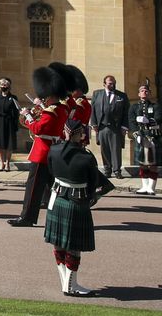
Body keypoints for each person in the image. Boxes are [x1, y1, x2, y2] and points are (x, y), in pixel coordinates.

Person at [43, 119, 114, 296]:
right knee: (74, 246)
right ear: (79, 134)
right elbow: (93, 184)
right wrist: (92, 197)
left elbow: (51, 173)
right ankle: (70, 285)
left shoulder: (54, 150)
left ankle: (65, 281)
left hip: (57, 198)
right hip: (76, 202)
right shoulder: (87, 157)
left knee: (58, 242)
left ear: (65, 132)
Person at [8, 64, 70, 227]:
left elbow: (37, 128)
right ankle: (61, 216)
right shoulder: (62, 109)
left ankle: (27, 217)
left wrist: (28, 115)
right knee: (53, 188)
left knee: (34, 188)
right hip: (53, 151)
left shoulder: (50, 112)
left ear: (49, 95)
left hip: (42, 153)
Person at [128, 80, 162, 196]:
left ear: (150, 94)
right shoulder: (134, 107)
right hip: (141, 137)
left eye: (146, 91)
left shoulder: (155, 106)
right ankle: (144, 186)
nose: (144, 93)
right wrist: (136, 134)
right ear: (139, 94)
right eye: (142, 91)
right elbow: (131, 122)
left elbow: (159, 118)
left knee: (153, 164)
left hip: (153, 137)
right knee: (142, 163)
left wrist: (149, 121)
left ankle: (151, 187)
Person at [91, 74, 129, 179]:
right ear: (104, 84)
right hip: (102, 126)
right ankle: (107, 170)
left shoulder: (121, 96)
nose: (112, 85)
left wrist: (124, 127)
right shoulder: (97, 94)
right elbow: (93, 110)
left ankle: (117, 170)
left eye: (114, 83)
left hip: (115, 127)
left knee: (116, 149)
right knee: (104, 149)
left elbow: (126, 112)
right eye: (110, 83)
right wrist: (93, 124)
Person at [0, 77, 22, 171]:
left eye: (5, 85)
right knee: (1, 144)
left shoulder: (13, 98)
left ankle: (8, 164)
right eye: (2, 85)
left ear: (9, 87)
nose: (3, 87)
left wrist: (15, 124)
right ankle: (2, 163)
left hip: (9, 122)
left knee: (9, 145)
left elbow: (16, 111)